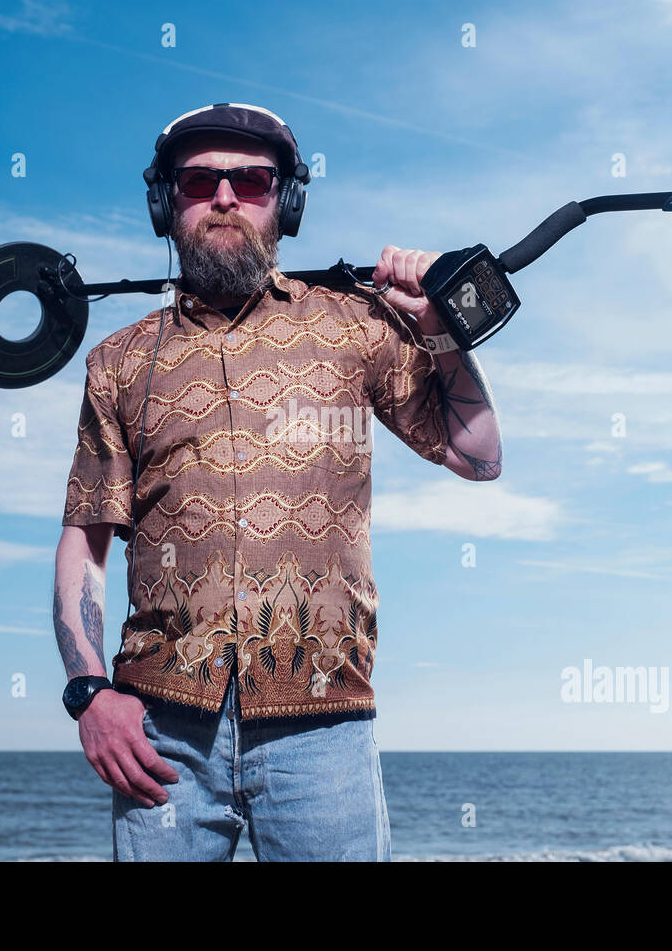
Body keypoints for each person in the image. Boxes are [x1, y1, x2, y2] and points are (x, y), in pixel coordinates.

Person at [52, 102, 502, 861]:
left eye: (251, 179)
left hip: (323, 726)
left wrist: (437, 330)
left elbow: (478, 455)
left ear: (283, 202)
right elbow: (85, 544)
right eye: (200, 181)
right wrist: (90, 694)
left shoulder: (354, 324)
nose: (225, 196)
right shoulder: (118, 362)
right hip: (161, 734)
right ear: (167, 203)